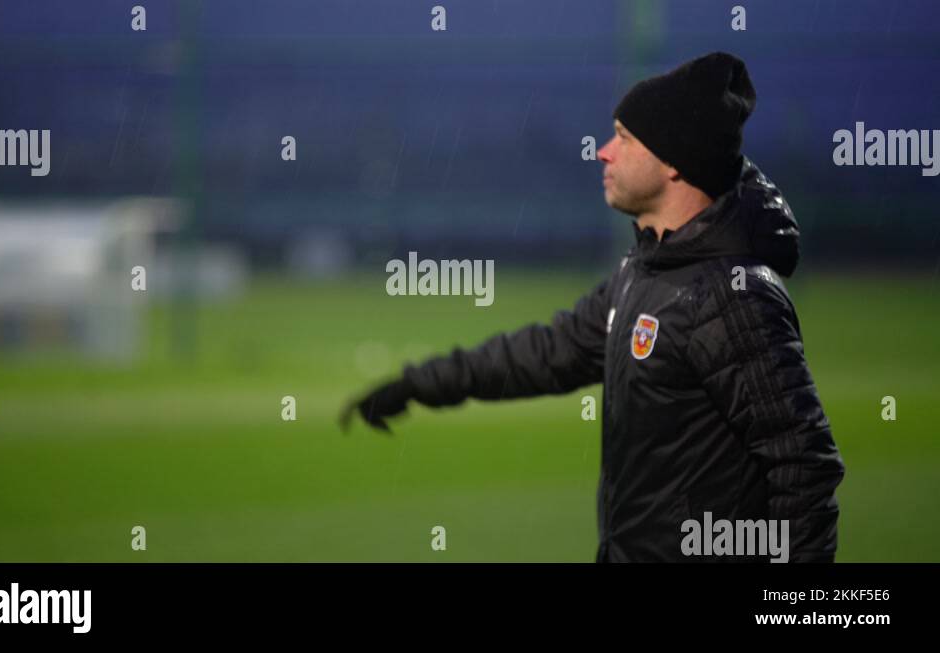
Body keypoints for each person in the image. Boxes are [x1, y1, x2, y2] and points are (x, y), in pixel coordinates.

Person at [339, 52, 845, 563]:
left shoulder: (730, 295)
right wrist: (421, 382)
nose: (604, 152)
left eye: (624, 138)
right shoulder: (644, 272)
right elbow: (545, 352)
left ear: (674, 161)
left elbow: (803, 464)